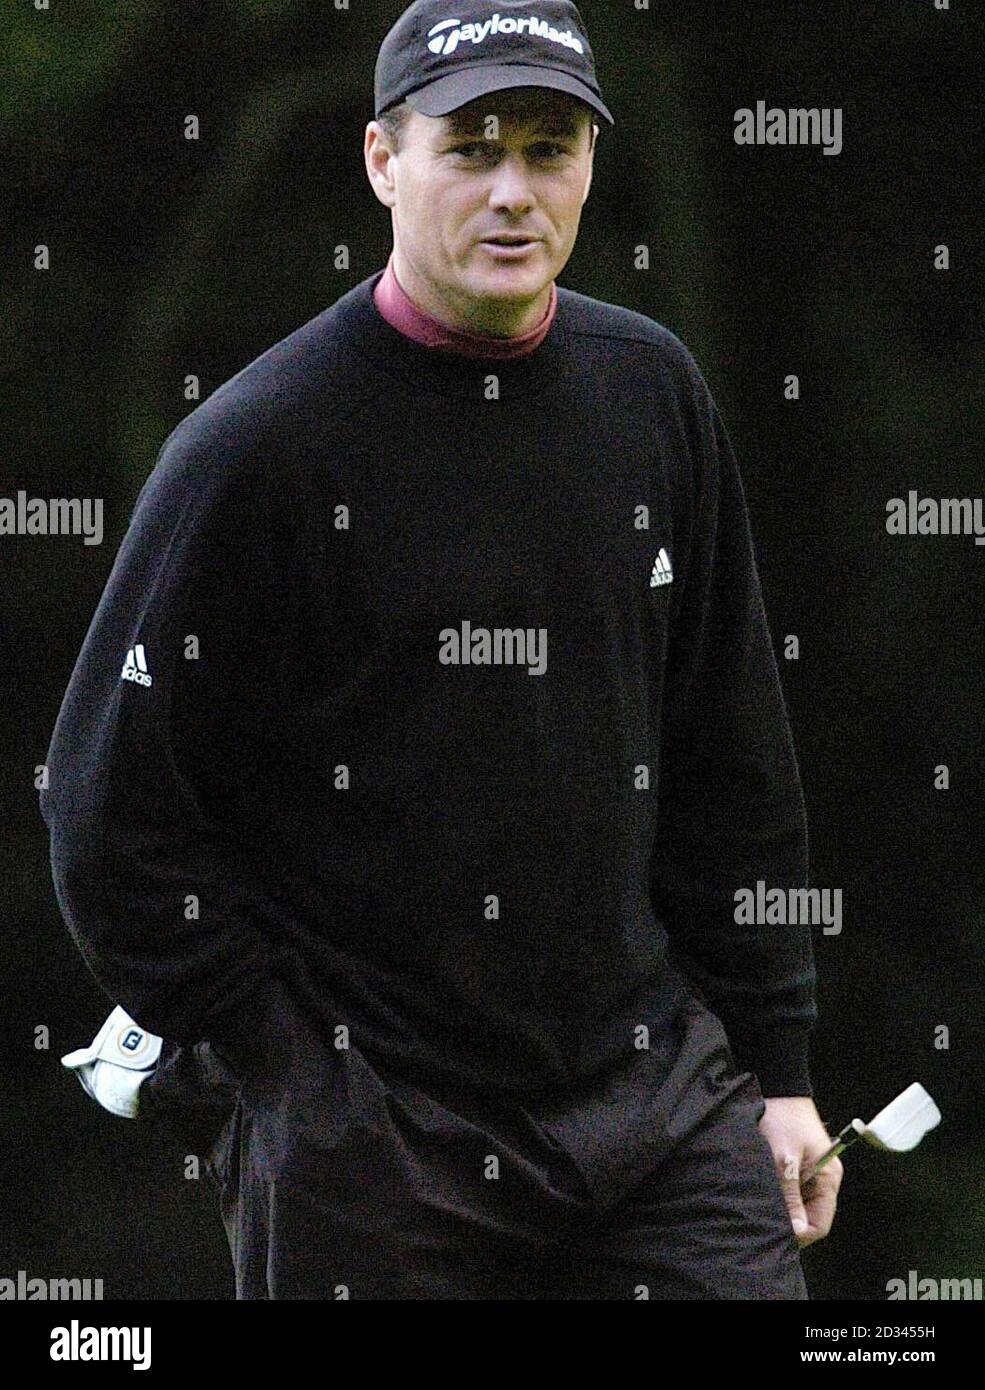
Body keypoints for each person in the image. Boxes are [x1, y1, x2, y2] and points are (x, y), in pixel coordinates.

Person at [41, 0, 842, 1299]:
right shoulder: (259, 448)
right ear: (382, 160)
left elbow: (729, 751)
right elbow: (103, 803)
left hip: (654, 1108)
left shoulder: (650, 393)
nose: (514, 190)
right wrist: (284, 1063)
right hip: (376, 1131)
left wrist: (781, 1065)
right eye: (471, 148)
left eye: (550, 147)